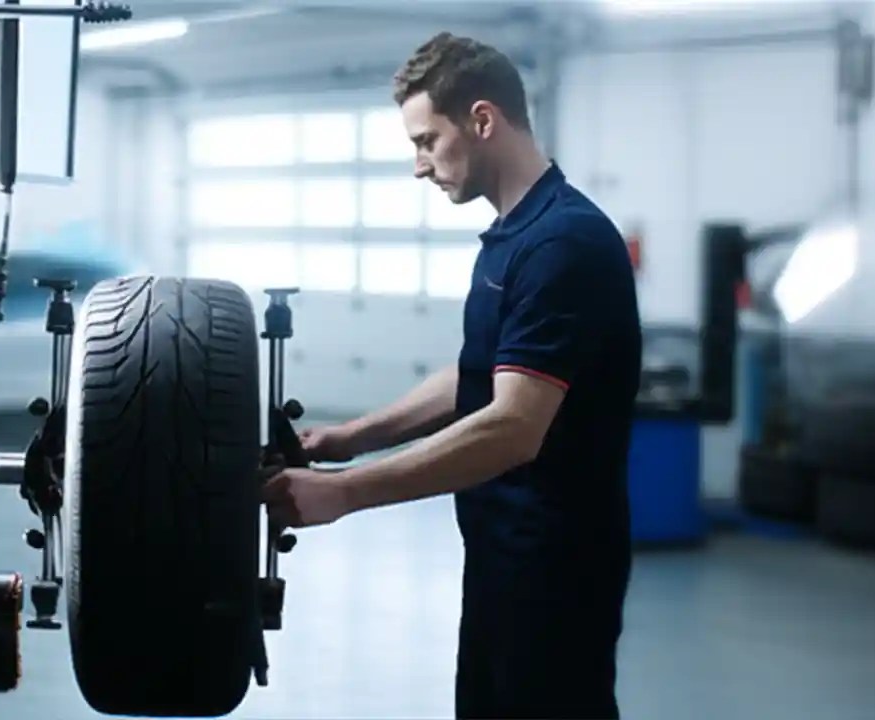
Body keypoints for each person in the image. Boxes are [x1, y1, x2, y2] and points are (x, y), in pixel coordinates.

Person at [261, 31, 642, 720]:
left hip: (555, 573)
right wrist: (351, 436)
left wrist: (344, 494)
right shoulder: (516, 235)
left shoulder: (565, 245)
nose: (418, 166)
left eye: (426, 141)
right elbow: (482, 375)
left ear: (483, 120)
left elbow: (512, 426)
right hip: (502, 555)